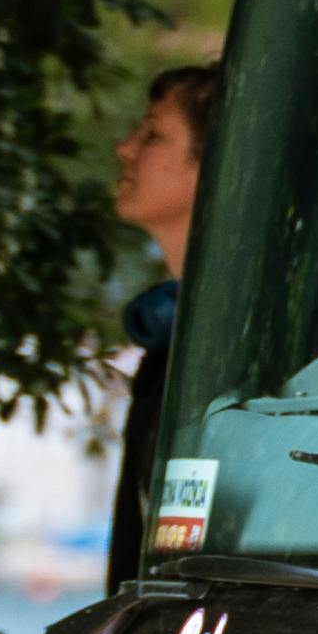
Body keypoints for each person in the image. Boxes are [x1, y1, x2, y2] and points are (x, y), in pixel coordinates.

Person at [103, 58, 219, 588]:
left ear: (219, 160)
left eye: (152, 135)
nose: (125, 148)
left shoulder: (267, 335)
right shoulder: (172, 338)